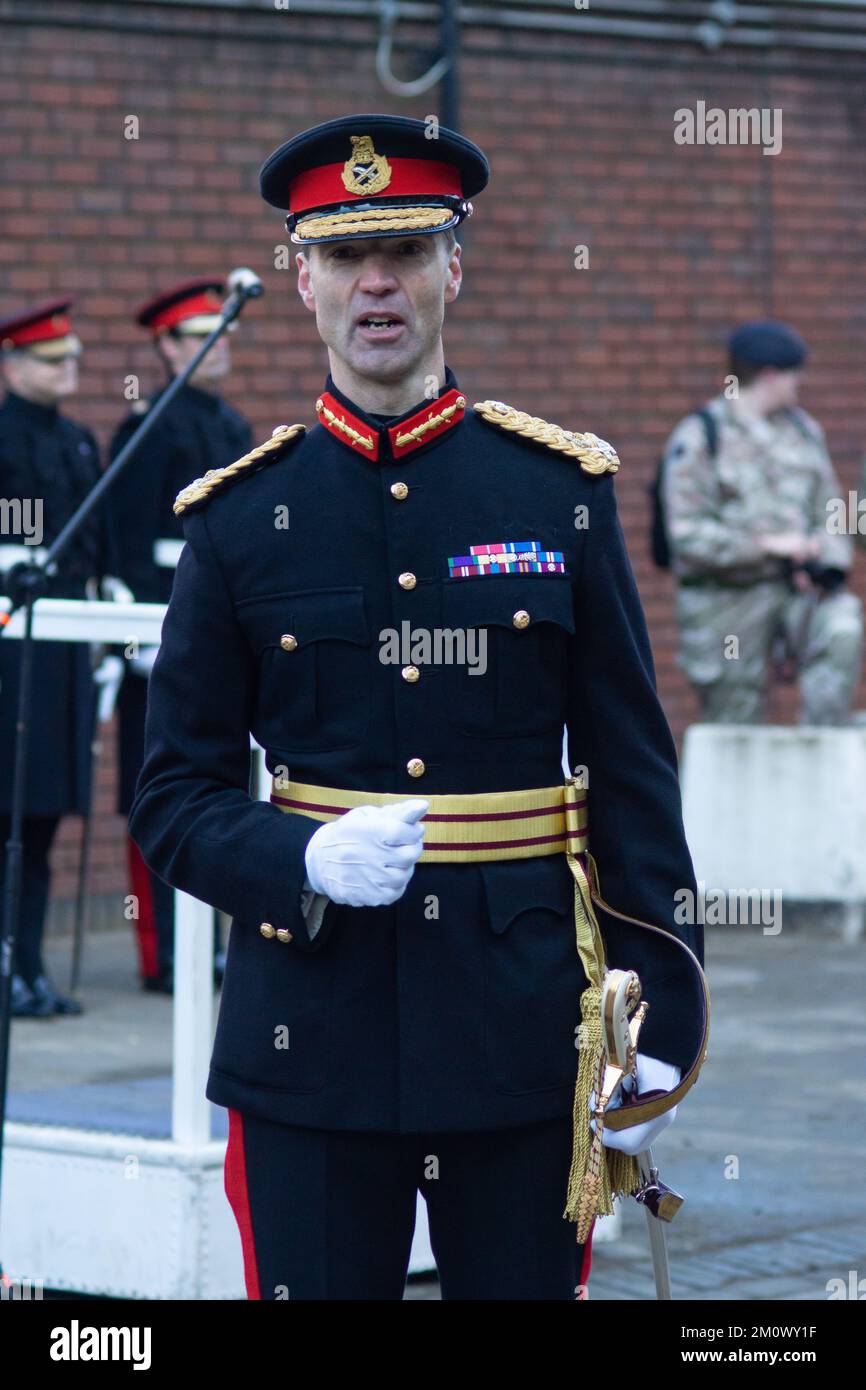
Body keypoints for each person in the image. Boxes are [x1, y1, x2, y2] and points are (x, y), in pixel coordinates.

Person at [129, 114, 707, 1301]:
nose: (374, 281)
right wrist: (301, 856)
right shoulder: (239, 518)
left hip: (519, 1028)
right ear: (300, 276)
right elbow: (172, 795)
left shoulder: (560, 496)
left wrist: (665, 1028)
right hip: (311, 1025)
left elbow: (631, 775)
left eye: (403, 248)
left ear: (457, 264)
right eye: (343, 255)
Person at [106, 281, 252, 993]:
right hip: (159, 631)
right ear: (167, 348)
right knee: (156, 785)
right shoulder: (147, 429)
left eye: (221, 333)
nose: (218, 345)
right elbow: (127, 545)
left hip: (221, 627)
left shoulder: (233, 427)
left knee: (223, 788)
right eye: (200, 336)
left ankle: (212, 941)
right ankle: (158, 950)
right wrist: (136, 641)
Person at [0, 300, 121, 1017]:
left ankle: (30, 967)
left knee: (39, 819)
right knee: (7, 814)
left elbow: (93, 546)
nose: (68, 367)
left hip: (63, 649)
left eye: (71, 355)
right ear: (12, 365)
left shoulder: (79, 442)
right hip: (12, 644)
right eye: (52, 359)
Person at [661, 321, 863, 724]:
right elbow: (685, 535)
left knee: (843, 627)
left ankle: (823, 746)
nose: (798, 385)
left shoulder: (803, 432)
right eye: (793, 375)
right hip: (726, 608)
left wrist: (824, 562)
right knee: (734, 723)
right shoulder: (702, 437)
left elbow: (832, 515)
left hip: (795, 596)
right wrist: (768, 545)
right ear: (770, 375)